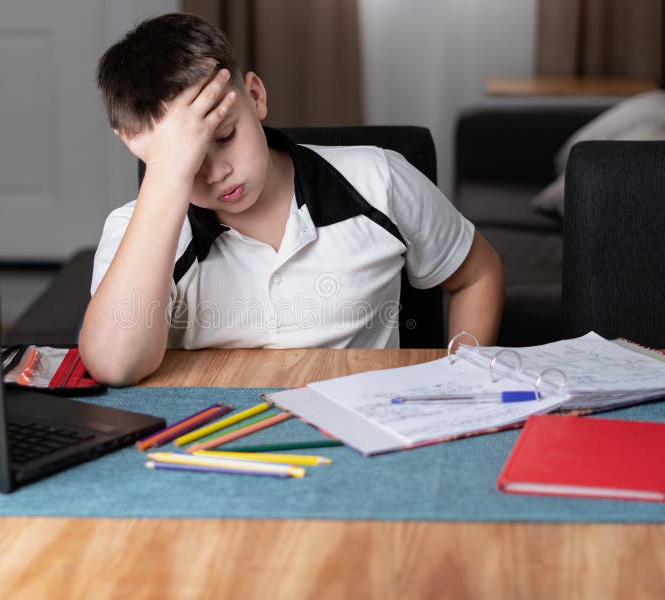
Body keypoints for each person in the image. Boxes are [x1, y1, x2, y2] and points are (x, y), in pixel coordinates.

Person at [79, 12, 504, 386]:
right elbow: (115, 367)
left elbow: (477, 275)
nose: (216, 172)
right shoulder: (132, 231)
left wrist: (459, 380)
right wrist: (166, 175)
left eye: (225, 137)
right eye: (186, 161)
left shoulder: (378, 180)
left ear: (257, 96)